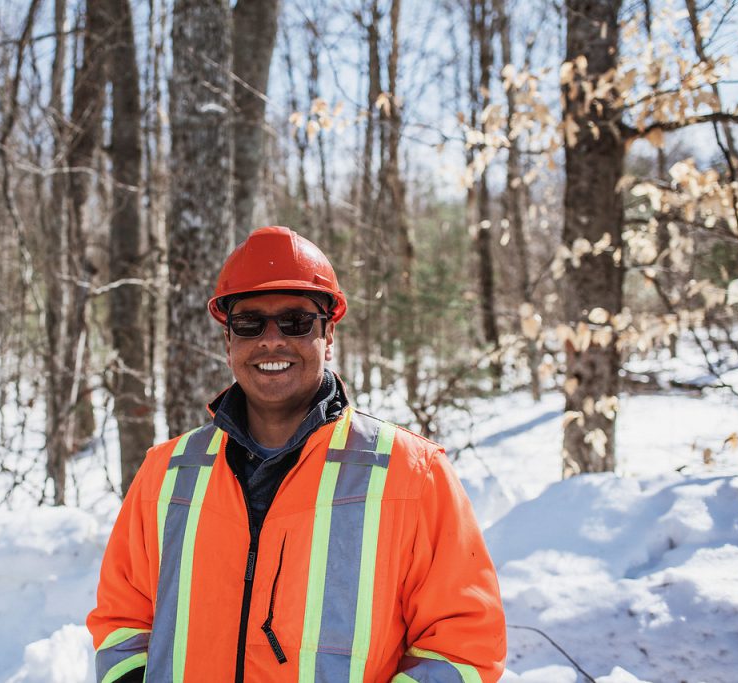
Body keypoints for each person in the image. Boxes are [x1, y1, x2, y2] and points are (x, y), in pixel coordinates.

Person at [87, 226, 506, 682]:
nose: (272, 341)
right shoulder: (166, 473)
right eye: (249, 324)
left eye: (296, 322)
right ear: (229, 342)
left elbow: (464, 644)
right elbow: (122, 622)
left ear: (328, 336)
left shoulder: (411, 474)